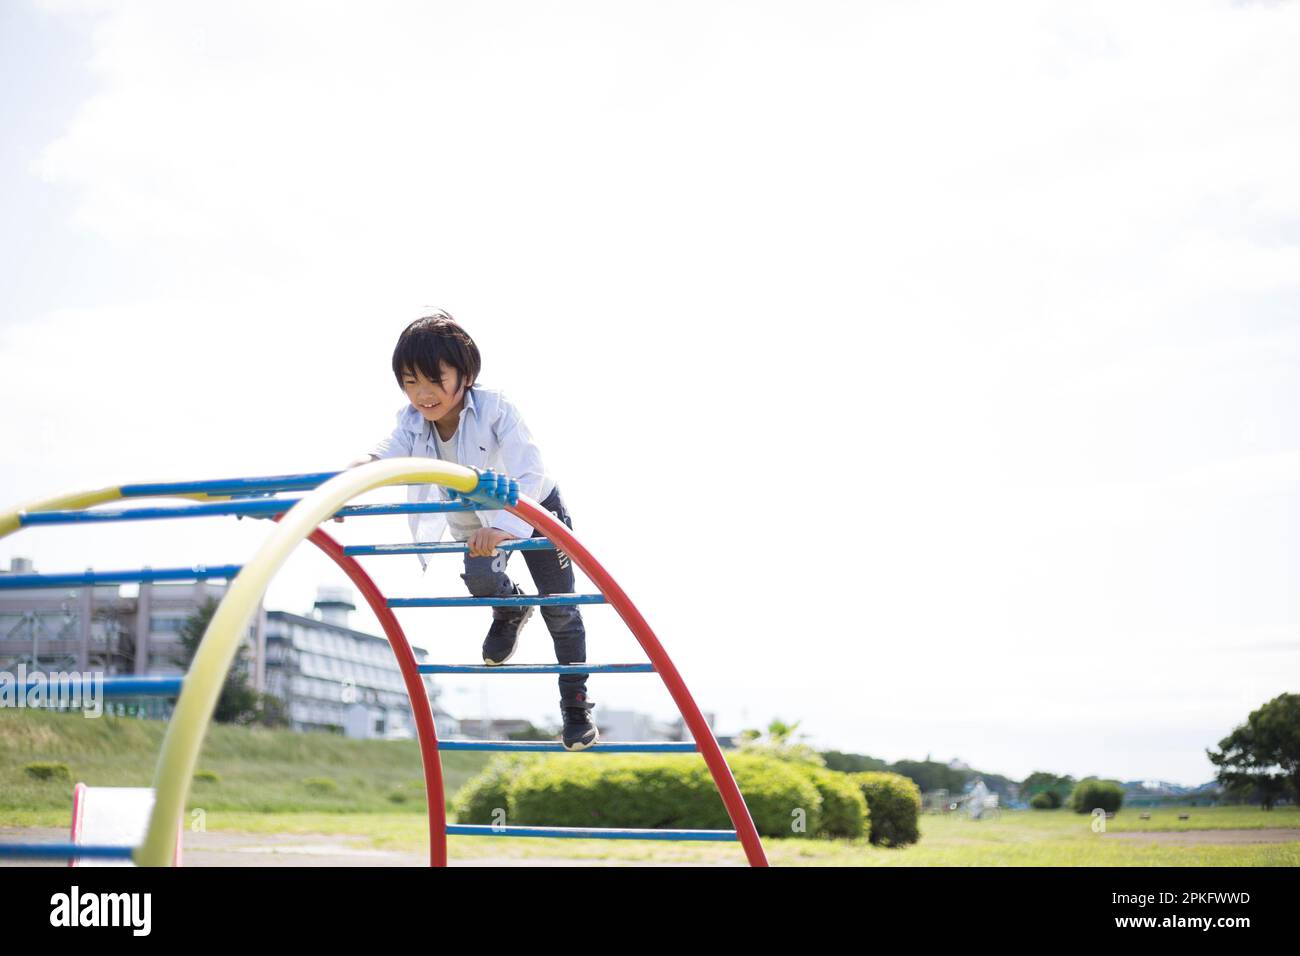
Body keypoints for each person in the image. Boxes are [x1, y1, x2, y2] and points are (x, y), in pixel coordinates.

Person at [346, 311, 598, 750]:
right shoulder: (411, 420)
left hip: (534, 506)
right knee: (480, 578)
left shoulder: (496, 408)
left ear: (464, 375)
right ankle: (510, 608)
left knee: (561, 606)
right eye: (409, 382)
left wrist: (504, 527)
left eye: (434, 380)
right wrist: (350, 478)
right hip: (471, 510)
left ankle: (575, 708)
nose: (422, 395)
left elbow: (530, 473)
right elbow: (386, 454)